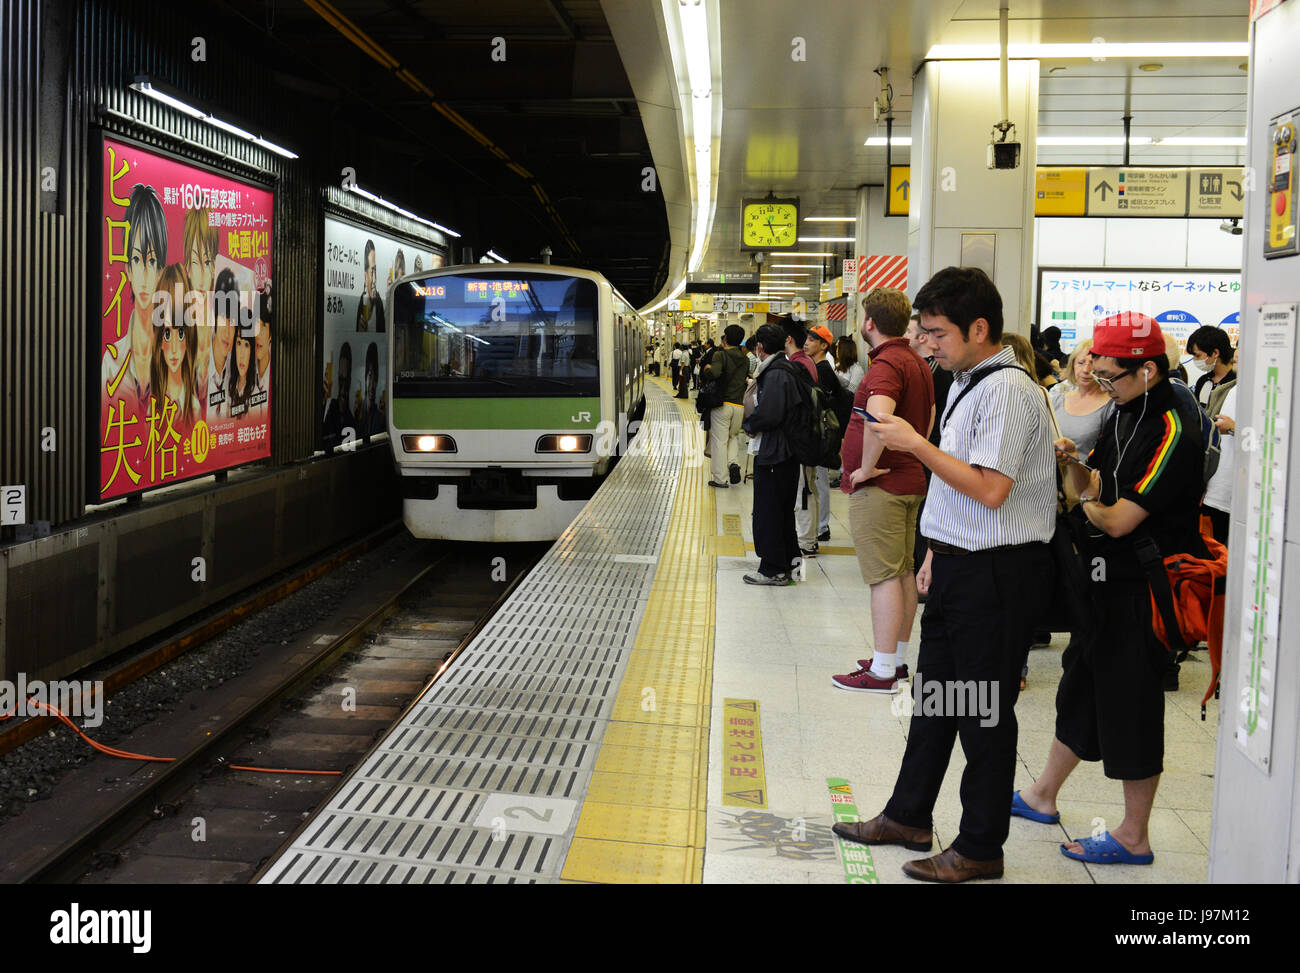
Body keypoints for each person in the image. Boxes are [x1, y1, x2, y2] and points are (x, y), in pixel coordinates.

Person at [831, 266, 1056, 883]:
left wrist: (913, 443)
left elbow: (989, 488)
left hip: (998, 574)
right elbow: (960, 491)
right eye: (923, 331)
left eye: (937, 333)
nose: (926, 343)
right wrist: (935, 551)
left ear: (979, 328)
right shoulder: (967, 380)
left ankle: (981, 847)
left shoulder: (1008, 388)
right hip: (961, 564)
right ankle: (909, 815)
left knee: (983, 714)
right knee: (933, 704)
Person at [1014, 312, 1206, 869]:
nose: (1100, 383)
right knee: (1080, 683)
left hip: (1144, 586)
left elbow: (1118, 517)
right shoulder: (1126, 408)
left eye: (1110, 375)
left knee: (1130, 704)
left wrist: (1088, 502)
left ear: (1147, 370)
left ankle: (1133, 835)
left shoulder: (1174, 424)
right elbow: (1092, 483)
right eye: (1094, 371)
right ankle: (1041, 794)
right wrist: (1075, 468)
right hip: (1104, 579)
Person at [831, 286, 934, 693]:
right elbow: (927, 418)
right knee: (902, 572)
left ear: (869, 323)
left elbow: (878, 418)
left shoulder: (886, 364)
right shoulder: (916, 361)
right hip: (909, 478)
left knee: (883, 578)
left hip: (884, 485)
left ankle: (881, 672)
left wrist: (866, 468)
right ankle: (896, 659)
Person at [740, 323, 805, 585]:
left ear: (760, 347)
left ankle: (772, 569)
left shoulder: (776, 373)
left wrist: (750, 425)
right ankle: (788, 562)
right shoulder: (786, 368)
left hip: (776, 453)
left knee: (768, 511)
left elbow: (771, 413)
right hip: (784, 453)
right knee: (781, 510)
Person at [101, 183, 167, 416]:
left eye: (151, 261)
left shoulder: (173, 358)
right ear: (128, 267)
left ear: (161, 271)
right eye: (137, 260)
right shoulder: (111, 363)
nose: (144, 274)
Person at [906, 312, 953, 580]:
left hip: (931, 450)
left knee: (925, 513)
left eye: (909, 332)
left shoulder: (933, 371)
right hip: (926, 449)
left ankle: (923, 570)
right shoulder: (925, 367)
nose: (905, 337)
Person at [1186, 326, 1238, 543]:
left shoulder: (1237, 385)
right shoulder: (1203, 382)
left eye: (1198, 355)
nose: (1196, 360)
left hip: (1229, 468)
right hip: (1205, 463)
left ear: (1215, 353)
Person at [800, 324, 842, 545]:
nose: (807, 343)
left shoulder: (824, 370)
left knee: (820, 480)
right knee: (817, 480)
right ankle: (820, 524)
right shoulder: (817, 367)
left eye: (812, 340)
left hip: (823, 434)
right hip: (820, 433)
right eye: (806, 338)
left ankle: (822, 526)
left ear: (824, 345)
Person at [148, 263, 201, 433]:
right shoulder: (152, 408)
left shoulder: (193, 408)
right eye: (167, 334)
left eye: (181, 334)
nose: (173, 349)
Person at [183, 206, 218, 418]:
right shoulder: (178, 329)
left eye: (207, 262)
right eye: (196, 262)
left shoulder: (222, 324)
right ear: (187, 265)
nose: (203, 273)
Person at [703, 325, 749, 487]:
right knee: (733, 437)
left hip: (722, 405)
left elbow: (714, 373)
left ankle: (720, 479)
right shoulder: (745, 359)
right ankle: (733, 463)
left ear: (725, 339)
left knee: (719, 441)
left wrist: (707, 369)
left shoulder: (720, 355)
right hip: (739, 405)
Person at [207, 268, 239, 420]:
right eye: (222, 318)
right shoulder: (199, 366)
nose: (227, 332)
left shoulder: (236, 368)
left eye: (232, 322)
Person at [323, 341, 356, 441]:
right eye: (341, 379)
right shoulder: (331, 410)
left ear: (350, 381)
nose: (343, 388)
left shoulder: (352, 419)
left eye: (345, 380)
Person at [356, 239, 386, 333]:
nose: (374, 279)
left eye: (375, 271)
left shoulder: (379, 303)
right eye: (371, 272)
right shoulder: (361, 302)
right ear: (365, 276)